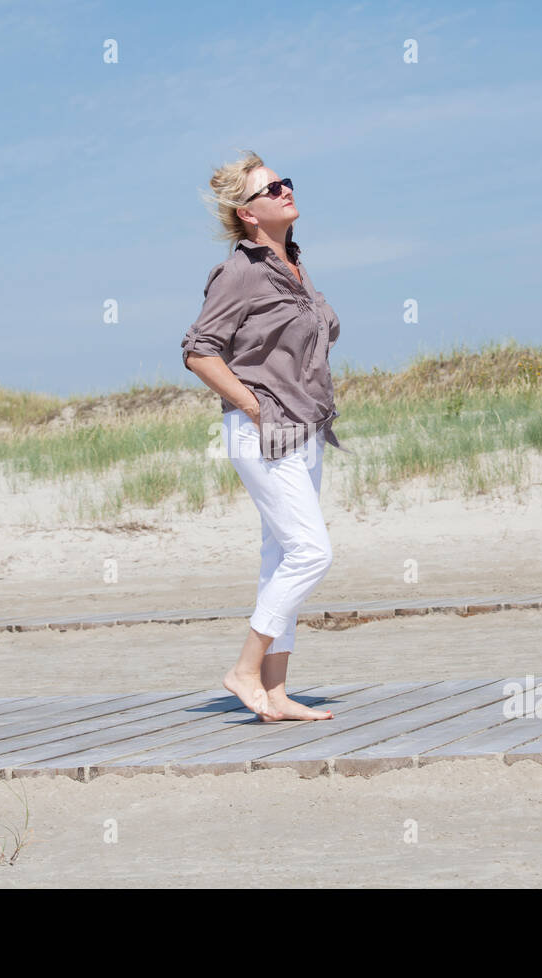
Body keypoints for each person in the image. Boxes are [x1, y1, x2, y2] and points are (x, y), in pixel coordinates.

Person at [181, 150, 352, 722]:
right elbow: (199, 352)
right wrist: (255, 407)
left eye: (285, 183)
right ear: (247, 213)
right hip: (263, 433)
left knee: (279, 557)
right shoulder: (241, 271)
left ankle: (275, 693)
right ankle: (244, 670)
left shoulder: (293, 264)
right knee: (311, 552)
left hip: (305, 431)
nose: (284, 192)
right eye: (270, 188)